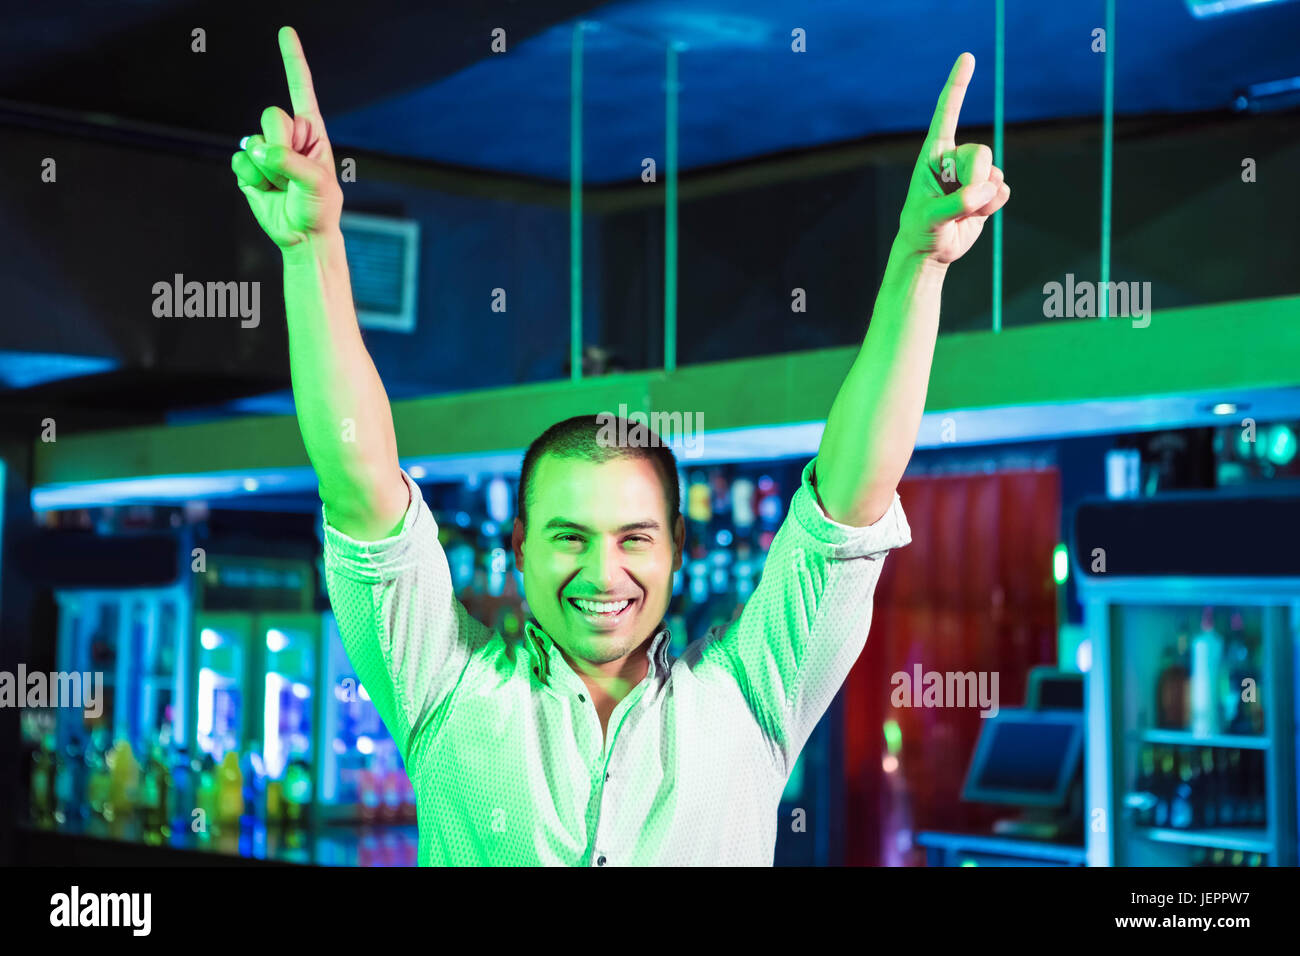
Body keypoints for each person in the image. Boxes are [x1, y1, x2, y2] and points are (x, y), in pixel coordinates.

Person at [231, 27, 1009, 865]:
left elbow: (853, 495)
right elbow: (360, 481)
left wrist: (919, 260)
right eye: (570, 536)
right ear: (521, 547)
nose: (603, 573)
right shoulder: (443, 689)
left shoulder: (755, 698)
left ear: (678, 549)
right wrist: (313, 249)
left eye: (635, 538)